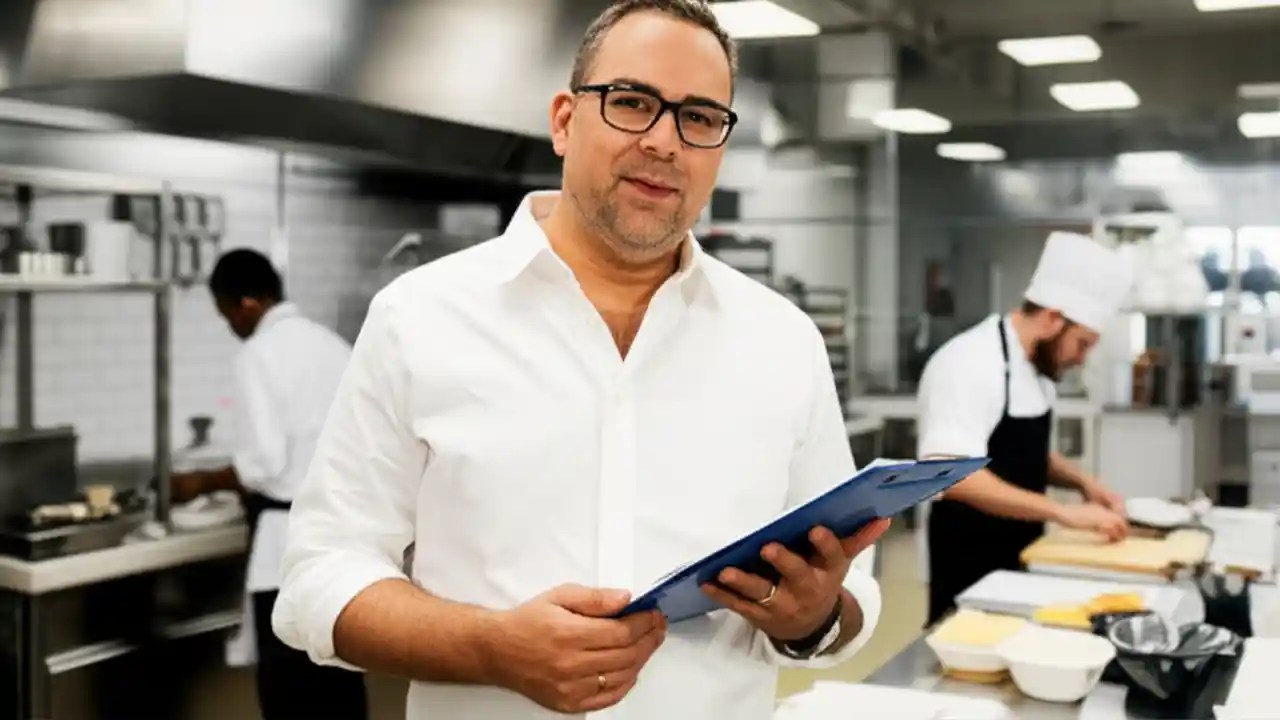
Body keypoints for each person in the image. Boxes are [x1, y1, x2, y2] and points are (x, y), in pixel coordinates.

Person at [271, 1, 886, 718]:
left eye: (700, 118)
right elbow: (319, 576)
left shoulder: (781, 341)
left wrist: (812, 619)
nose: (665, 142)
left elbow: (852, 593)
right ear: (564, 120)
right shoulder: (422, 317)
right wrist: (491, 646)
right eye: (631, 103)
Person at [170, 248, 365, 720]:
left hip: (287, 549)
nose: (231, 327)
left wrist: (200, 481)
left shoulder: (259, 353)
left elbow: (263, 461)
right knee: (339, 690)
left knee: (291, 695)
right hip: (346, 545)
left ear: (250, 303)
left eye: (228, 315)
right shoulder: (330, 343)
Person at [917, 231, 1135, 626]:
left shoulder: (1037, 368)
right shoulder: (970, 362)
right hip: (969, 563)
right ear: (1054, 319)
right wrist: (1063, 512)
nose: (1082, 359)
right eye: (1083, 344)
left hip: (1021, 553)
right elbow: (950, 476)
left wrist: (1083, 483)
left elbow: (1020, 452)